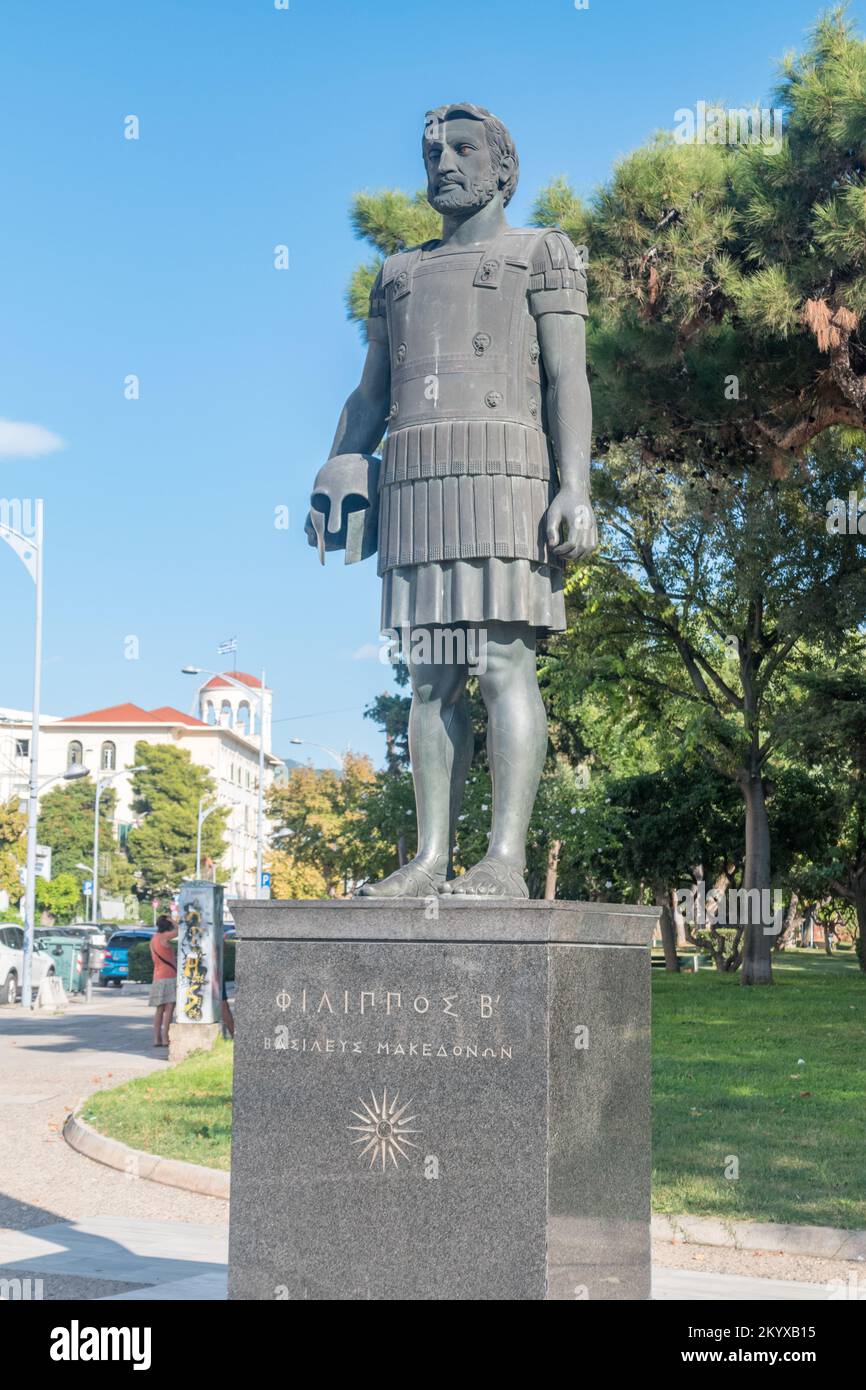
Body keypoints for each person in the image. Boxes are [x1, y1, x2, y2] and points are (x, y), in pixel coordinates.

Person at [308, 102, 596, 898]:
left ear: (503, 167)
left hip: (508, 475)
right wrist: (337, 462)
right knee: (429, 678)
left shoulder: (542, 254)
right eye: (431, 150)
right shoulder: (397, 274)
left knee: (503, 662)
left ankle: (503, 863)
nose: (443, 162)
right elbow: (369, 395)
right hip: (415, 481)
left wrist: (576, 485)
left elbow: (567, 378)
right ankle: (430, 858)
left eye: (463, 148)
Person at [149, 915, 177, 1047]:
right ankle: (166, 1038)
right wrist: (173, 920)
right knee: (169, 1008)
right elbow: (181, 931)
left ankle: (157, 1038)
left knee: (159, 1009)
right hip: (169, 976)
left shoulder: (153, 939)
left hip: (157, 977)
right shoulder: (165, 937)